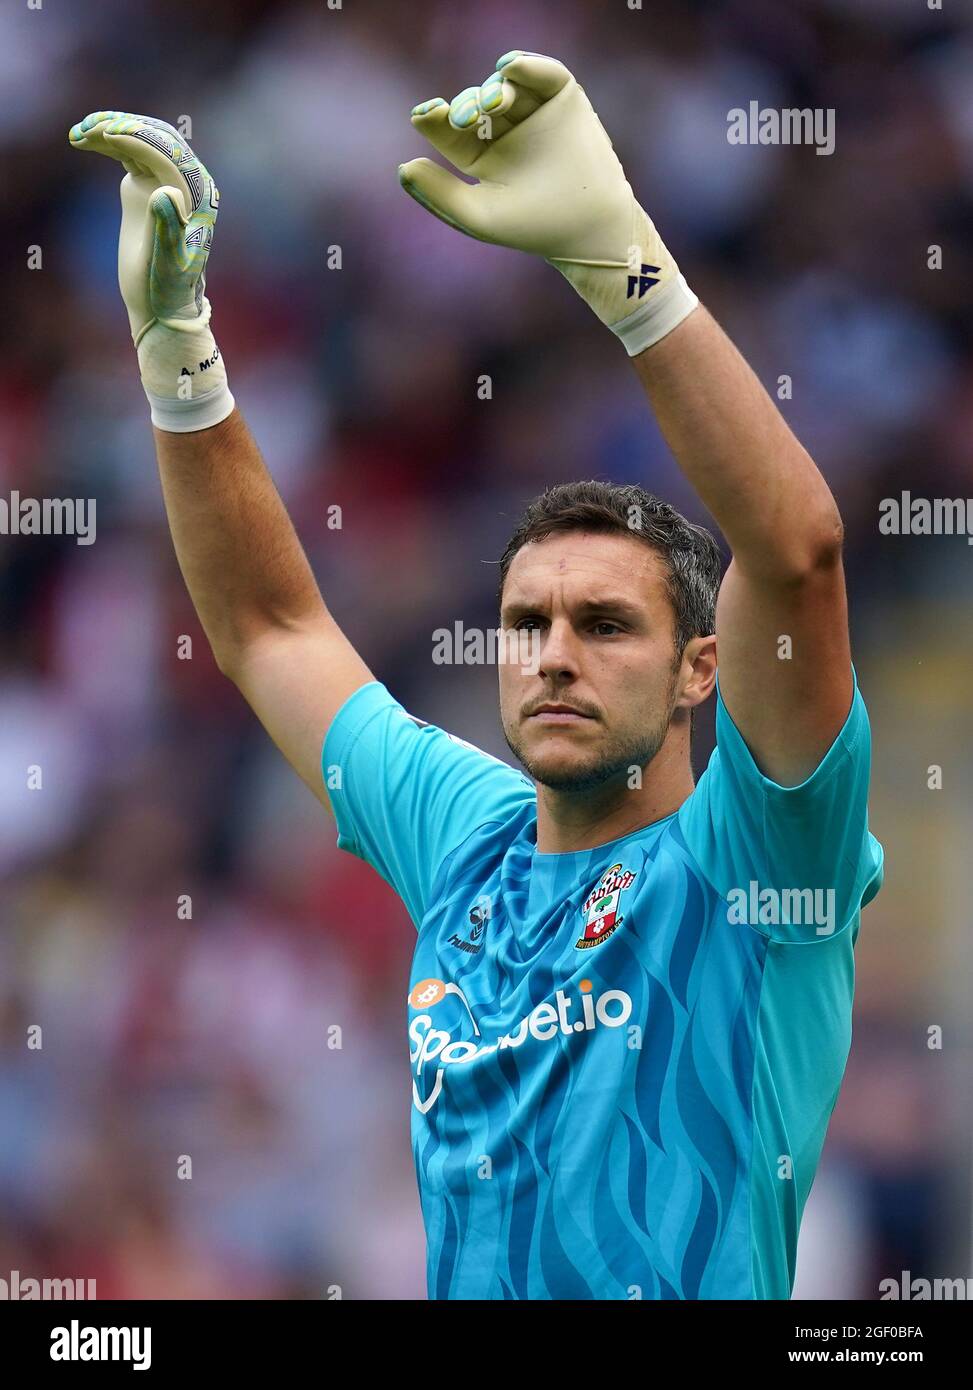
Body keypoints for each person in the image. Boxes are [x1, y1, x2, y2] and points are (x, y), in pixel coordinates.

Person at [69, 50, 883, 1301]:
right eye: (525, 622)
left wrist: (621, 265)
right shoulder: (469, 838)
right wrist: (178, 354)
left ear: (698, 670)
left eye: (604, 625)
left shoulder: (761, 852)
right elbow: (271, 628)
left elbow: (795, 551)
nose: (552, 653)